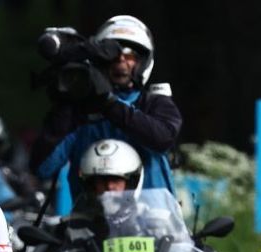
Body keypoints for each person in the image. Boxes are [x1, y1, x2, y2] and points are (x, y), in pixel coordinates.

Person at [30, 15, 182, 209]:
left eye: (129, 56)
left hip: (155, 226)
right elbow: (43, 167)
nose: (121, 62)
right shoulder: (80, 111)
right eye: (113, 56)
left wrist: (108, 103)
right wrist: (67, 101)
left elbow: (162, 139)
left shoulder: (153, 102)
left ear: (142, 62)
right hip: (92, 230)